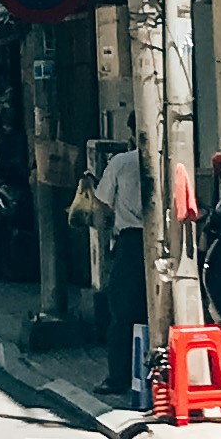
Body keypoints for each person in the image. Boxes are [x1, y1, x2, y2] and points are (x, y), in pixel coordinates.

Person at [94, 132, 147, 397]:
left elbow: (103, 202)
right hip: (163, 241)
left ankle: (118, 378)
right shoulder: (171, 160)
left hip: (130, 242)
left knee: (122, 313)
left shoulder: (121, 162)